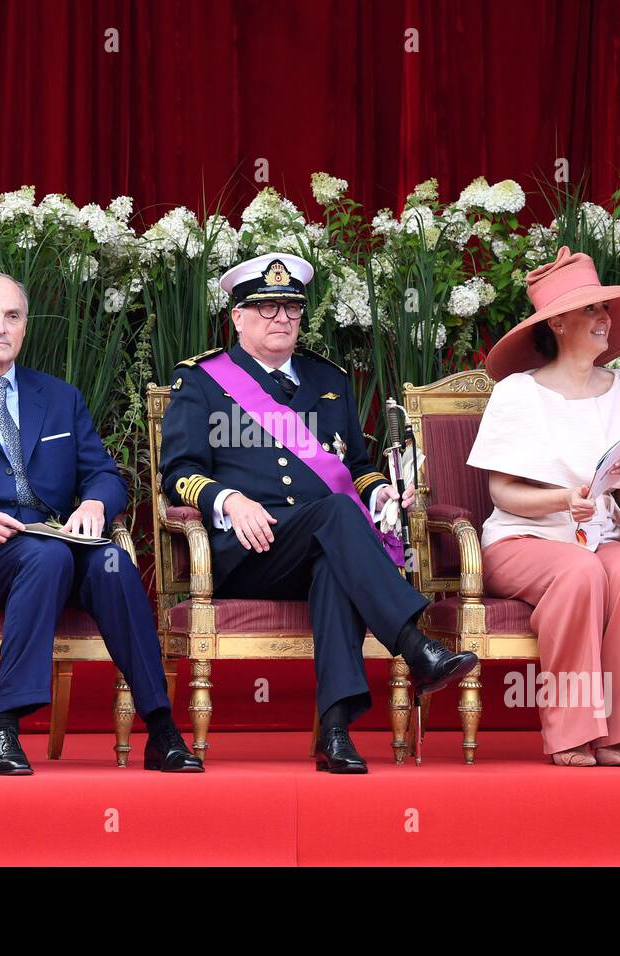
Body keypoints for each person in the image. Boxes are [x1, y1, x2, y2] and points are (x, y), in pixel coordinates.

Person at [159, 252, 477, 774]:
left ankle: (335, 734)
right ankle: (415, 646)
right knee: (333, 517)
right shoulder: (202, 381)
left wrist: (380, 498)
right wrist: (229, 501)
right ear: (237, 316)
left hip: (322, 546)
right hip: (248, 550)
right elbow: (178, 471)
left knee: (334, 561)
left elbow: (356, 465)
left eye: (291, 308)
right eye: (265, 308)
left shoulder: (327, 380)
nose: (281, 318)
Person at [0, 271, 200, 774]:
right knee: (48, 556)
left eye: (12, 316)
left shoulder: (57, 397)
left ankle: (161, 729)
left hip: (53, 539)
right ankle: (4, 728)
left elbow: (104, 473)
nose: (0, 328)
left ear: (25, 326)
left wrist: (96, 505)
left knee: (115, 563)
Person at [468, 246, 620, 767]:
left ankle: (618, 729)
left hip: (596, 536)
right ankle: (571, 729)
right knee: (580, 572)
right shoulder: (519, 393)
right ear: (557, 322)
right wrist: (564, 499)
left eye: (604, 310)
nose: (604, 319)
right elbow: (502, 493)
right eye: (591, 310)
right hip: (521, 539)